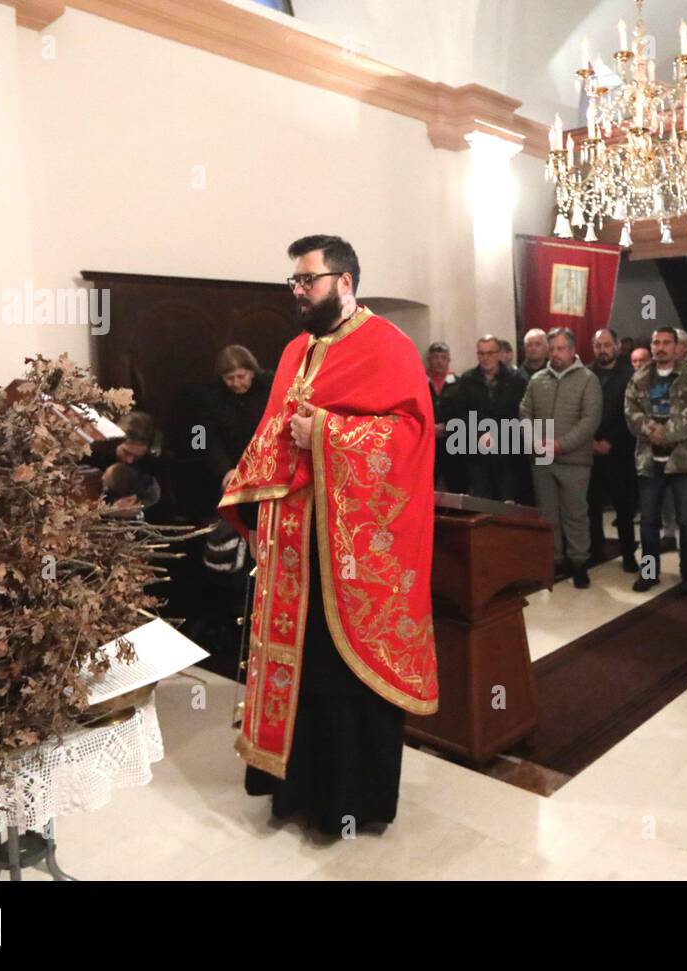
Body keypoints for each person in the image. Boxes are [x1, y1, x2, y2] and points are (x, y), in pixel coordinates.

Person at [220, 234, 438, 837]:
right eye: (293, 280)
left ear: (344, 281)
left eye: (306, 280)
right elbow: (273, 430)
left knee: (340, 677)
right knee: (301, 671)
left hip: (351, 552)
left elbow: (413, 436)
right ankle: (293, 791)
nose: (297, 291)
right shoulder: (293, 351)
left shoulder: (388, 346)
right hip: (291, 546)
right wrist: (246, 484)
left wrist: (333, 436)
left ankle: (349, 799)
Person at [625, 326, 687, 595]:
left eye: (666, 343)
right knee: (649, 521)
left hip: (684, 460)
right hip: (650, 460)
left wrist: (667, 433)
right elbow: (631, 411)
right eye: (656, 343)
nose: (660, 347)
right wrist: (651, 431)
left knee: (686, 520)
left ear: (676, 347)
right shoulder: (640, 377)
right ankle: (649, 573)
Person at [520, 328, 603, 588]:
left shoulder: (588, 379)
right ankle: (553, 561)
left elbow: (590, 421)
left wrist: (560, 445)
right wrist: (533, 440)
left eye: (561, 348)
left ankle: (578, 562)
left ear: (572, 349)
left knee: (575, 514)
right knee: (547, 515)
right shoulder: (538, 379)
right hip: (542, 458)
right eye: (552, 348)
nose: (555, 353)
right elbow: (525, 411)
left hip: (574, 460)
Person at [191, 345, 275, 514]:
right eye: (229, 378)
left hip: (268, 467)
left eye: (241, 376)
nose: (236, 383)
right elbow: (205, 438)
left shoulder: (270, 385)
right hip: (231, 468)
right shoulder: (210, 396)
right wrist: (225, 470)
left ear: (252, 371)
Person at [588, 328, 639, 572]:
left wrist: (609, 440)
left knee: (624, 507)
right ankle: (595, 549)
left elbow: (631, 414)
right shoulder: (585, 374)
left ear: (617, 346)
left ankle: (629, 553)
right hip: (589, 450)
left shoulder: (631, 375)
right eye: (598, 346)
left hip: (620, 451)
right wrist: (591, 440)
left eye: (607, 345)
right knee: (592, 506)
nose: (603, 350)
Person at [455, 335, 527, 500]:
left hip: (508, 453)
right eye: (481, 353)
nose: (485, 358)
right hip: (478, 453)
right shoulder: (468, 379)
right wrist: (480, 433)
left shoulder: (516, 379)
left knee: (507, 501)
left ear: (499, 354)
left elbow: (521, 413)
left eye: (490, 353)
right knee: (482, 500)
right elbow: (460, 412)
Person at [426, 341, 466, 493]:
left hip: (454, 446)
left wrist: (448, 427)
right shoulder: (421, 383)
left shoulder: (460, 383)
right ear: (429, 359)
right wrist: (431, 428)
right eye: (435, 357)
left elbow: (464, 413)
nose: (439, 361)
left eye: (443, 357)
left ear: (448, 360)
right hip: (429, 446)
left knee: (457, 487)